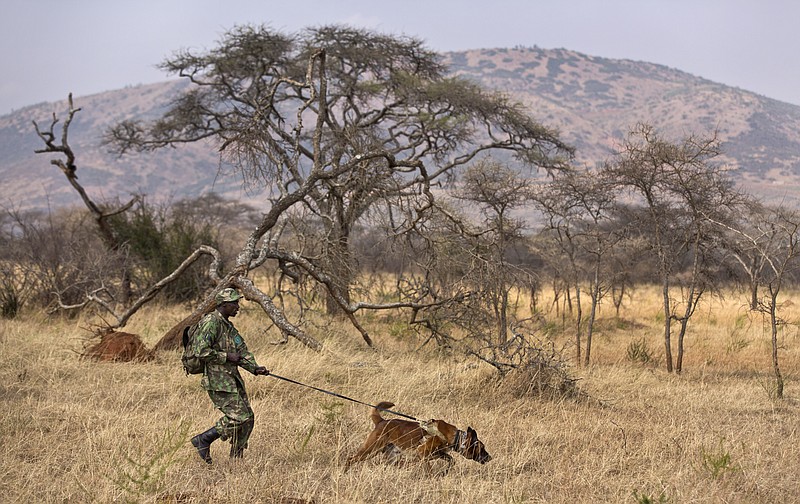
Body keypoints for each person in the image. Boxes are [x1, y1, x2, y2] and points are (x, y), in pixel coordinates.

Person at [190, 287, 270, 464]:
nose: (237, 307)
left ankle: (236, 459)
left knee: (248, 418)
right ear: (223, 304)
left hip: (232, 379)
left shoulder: (228, 326)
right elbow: (200, 351)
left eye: (237, 302)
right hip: (218, 380)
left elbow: (241, 351)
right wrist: (226, 356)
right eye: (234, 303)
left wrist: (255, 368)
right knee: (240, 416)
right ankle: (204, 439)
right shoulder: (211, 322)